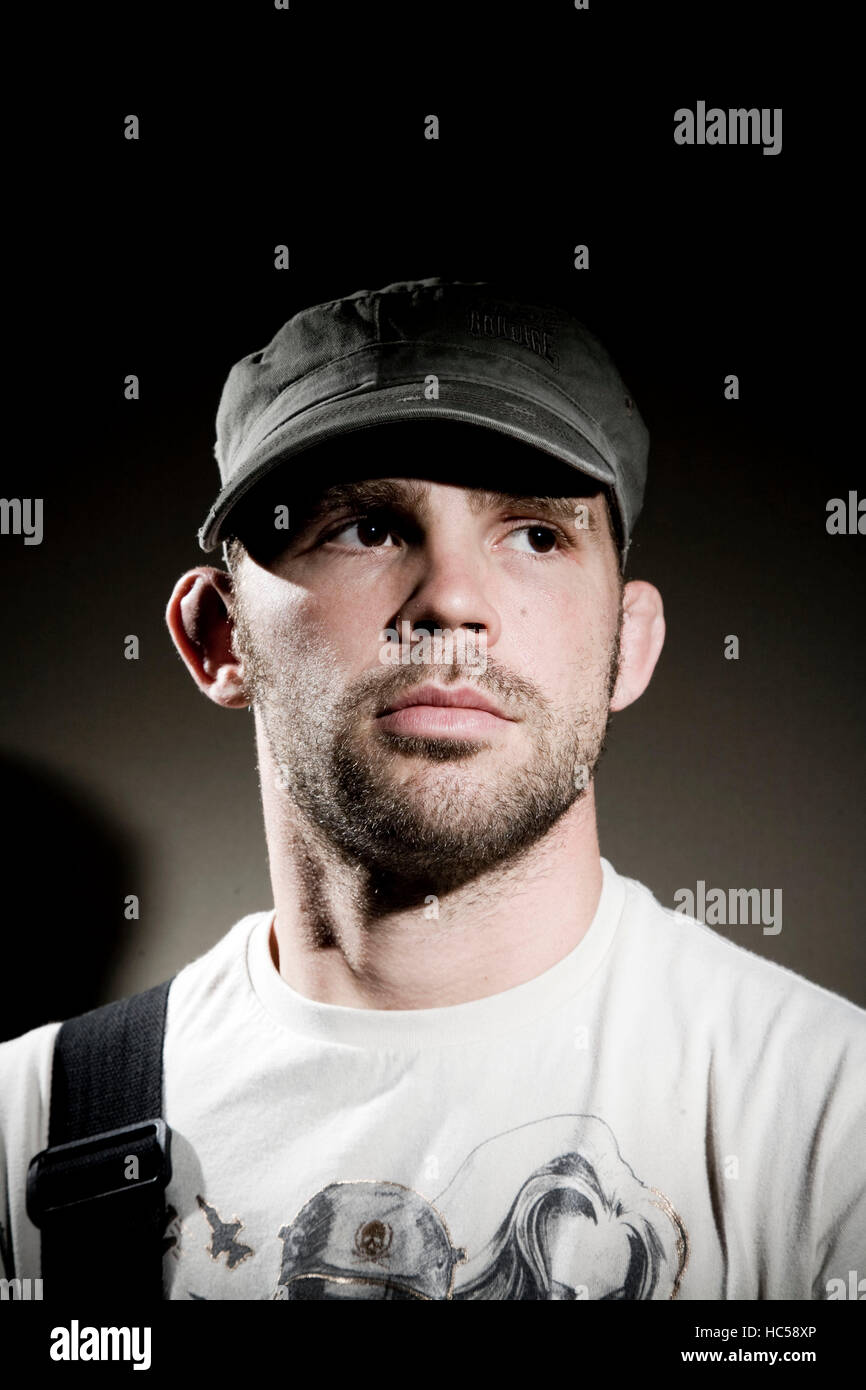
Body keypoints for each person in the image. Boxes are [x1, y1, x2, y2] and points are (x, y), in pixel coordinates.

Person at [1, 277, 863, 1301]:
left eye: (535, 533)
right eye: (363, 526)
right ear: (218, 637)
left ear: (627, 647)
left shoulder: (824, 1117)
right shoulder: (31, 1127)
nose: (451, 599)